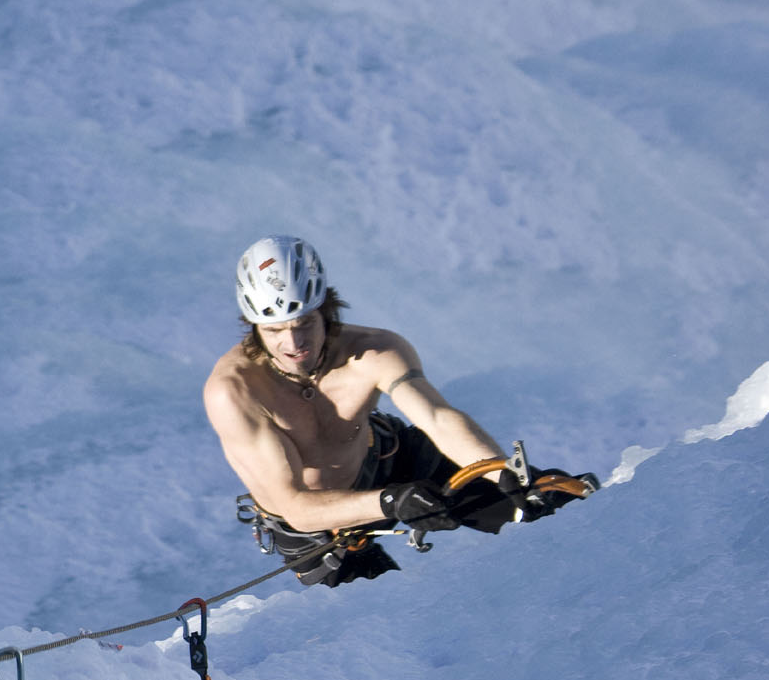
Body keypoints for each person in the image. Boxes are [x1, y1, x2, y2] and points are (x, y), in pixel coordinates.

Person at [202, 236, 593, 587]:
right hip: (319, 525)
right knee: (393, 620)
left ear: (326, 309)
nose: (293, 343)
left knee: (550, 504)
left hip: (387, 460)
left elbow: (437, 417)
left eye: (304, 324)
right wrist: (391, 502)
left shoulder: (375, 350)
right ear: (254, 326)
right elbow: (295, 507)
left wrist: (497, 470)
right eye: (274, 331)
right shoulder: (235, 391)